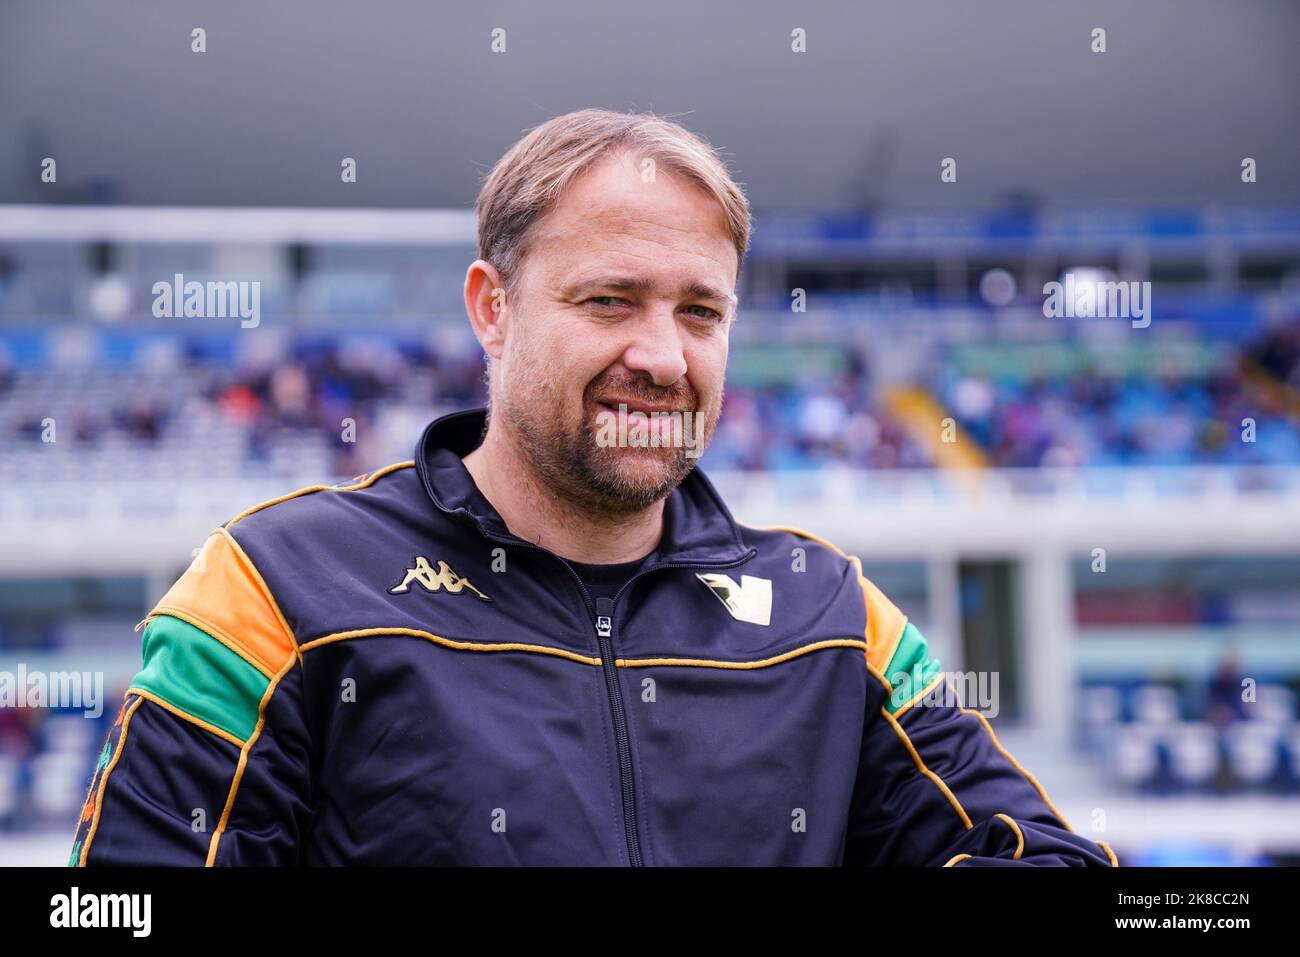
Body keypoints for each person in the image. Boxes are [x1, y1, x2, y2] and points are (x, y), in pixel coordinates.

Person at [71, 108, 1117, 866]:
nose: (661, 356)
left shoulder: (833, 616)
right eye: (609, 300)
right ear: (493, 309)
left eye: (700, 312)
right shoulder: (272, 590)